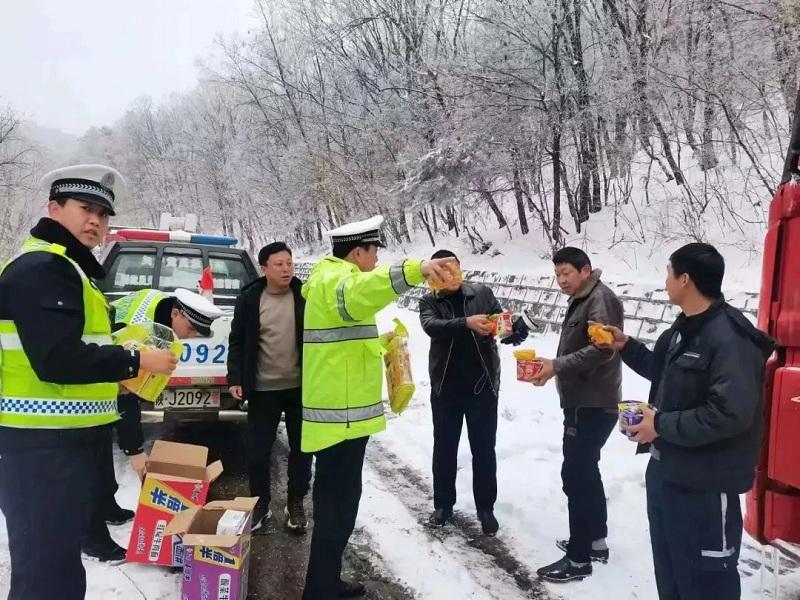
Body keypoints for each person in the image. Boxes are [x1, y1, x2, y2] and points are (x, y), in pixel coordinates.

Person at [0, 164, 178, 600]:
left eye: (103, 213)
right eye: (85, 209)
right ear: (53, 208)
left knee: (57, 567)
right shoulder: (43, 267)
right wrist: (136, 360)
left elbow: (68, 354)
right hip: (40, 448)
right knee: (45, 575)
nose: (96, 221)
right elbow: (57, 359)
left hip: (61, 444)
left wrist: (115, 382)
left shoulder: (68, 268)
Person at [596, 243, 775, 600]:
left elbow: (729, 414)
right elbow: (660, 370)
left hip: (705, 488)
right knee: (672, 579)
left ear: (685, 279)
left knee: (707, 586)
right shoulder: (682, 329)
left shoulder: (731, 338)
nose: (665, 280)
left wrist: (659, 424)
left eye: (668, 272)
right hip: (668, 476)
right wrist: (625, 345)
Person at [301, 215, 456, 599]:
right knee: (334, 511)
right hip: (338, 422)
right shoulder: (336, 280)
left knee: (341, 508)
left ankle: (327, 582)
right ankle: (319, 590)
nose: (375, 259)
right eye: (374, 252)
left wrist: (378, 344)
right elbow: (362, 291)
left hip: (345, 420)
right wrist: (416, 269)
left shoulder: (334, 279)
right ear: (358, 252)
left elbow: (343, 336)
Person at [81, 286, 224, 561]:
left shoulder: (161, 325)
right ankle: (92, 537)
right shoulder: (136, 331)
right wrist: (134, 449)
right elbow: (125, 394)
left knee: (100, 449)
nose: (190, 337)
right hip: (86, 390)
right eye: (191, 329)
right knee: (91, 458)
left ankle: (107, 506)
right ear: (175, 314)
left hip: (105, 385)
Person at [528, 247, 624, 583]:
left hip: (592, 402)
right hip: (585, 401)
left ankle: (579, 558)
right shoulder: (586, 298)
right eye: (557, 275)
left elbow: (602, 350)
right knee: (585, 471)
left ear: (585, 270)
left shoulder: (600, 299)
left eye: (566, 273)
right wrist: (554, 368)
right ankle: (595, 542)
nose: (561, 280)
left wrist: (557, 366)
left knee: (576, 475)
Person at [227, 241, 313, 532]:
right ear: (264, 269)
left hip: (301, 387)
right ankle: (260, 503)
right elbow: (237, 340)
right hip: (263, 389)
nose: (286, 269)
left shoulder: (305, 294)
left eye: (289, 263)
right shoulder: (250, 299)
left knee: (302, 449)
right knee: (257, 450)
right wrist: (236, 377)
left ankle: (295, 502)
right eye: (279, 264)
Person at [418, 249, 504, 535]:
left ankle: (486, 508)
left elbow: (500, 323)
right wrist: (466, 323)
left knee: (484, 449)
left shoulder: (482, 294)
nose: (450, 274)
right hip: (446, 387)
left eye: (453, 267)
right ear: (433, 274)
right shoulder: (429, 301)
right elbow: (432, 327)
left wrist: (514, 329)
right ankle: (443, 505)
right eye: (442, 270)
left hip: (482, 385)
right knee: (444, 448)